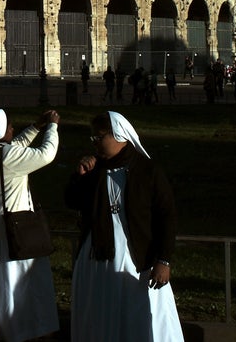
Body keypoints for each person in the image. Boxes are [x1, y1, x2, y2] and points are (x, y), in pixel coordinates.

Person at [65, 111, 183, 341]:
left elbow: (166, 216)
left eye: (99, 137)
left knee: (136, 316)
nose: (96, 143)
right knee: (100, 316)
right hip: (97, 262)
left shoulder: (146, 170)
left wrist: (164, 260)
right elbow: (72, 201)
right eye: (93, 139)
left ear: (118, 135)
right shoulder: (94, 170)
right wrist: (78, 177)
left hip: (136, 261)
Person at [0, 109, 60, 342]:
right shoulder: (8, 156)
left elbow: (15, 144)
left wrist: (35, 127)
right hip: (16, 232)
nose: (12, 129)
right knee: (21, 288)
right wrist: (52, 128)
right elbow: (46, 154)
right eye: (8, 126)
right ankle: (24, 330)